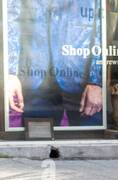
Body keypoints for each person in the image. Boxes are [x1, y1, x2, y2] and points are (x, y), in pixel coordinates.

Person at [4, 0, 104, 129]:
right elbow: (10, 20)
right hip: (36, 79)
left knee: (90, 143)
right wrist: (10, 72)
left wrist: (96, 80)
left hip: (83, 80)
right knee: (38, 141)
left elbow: (101, 24)